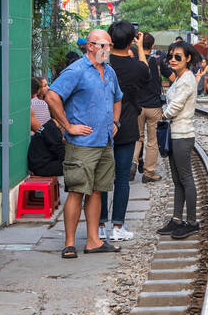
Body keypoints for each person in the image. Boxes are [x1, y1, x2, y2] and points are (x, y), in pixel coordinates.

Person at [45, 28, 123, 259]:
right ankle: (69, 243)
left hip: (104, 141)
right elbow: (51, 96)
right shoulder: (77, 70)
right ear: (90, 46)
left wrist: (116, 122)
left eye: (108, 45)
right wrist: (68, 126)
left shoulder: (109, 72)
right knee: (77, 191)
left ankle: (93, 241)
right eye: (103, 45)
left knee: (97, 191)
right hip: (82, 143)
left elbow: (118, 97)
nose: (107, 50)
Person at [100, 21, 149, 241]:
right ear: (131, 41)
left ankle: (99, 225)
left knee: (99, 179)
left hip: (101, 126)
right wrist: (139, 49)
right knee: (121, 179)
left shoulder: (102, 64)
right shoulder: (137, 67)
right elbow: (146, 73)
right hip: (127, 126)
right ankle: (117, 226)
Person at [159, 43, 199, 239]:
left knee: (186, 178)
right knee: (177, 180)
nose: (172, 60)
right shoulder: (179, 78)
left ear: (188, 59)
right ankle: (176, 219)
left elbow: (176, 105)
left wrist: (163, 116)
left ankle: (191, 222)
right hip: (175, 133)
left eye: (178, 57)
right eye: (171, 56)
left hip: (183, 134)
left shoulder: (187, 80)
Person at [133, 32, 165, 182]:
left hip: (137, 105)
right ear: (152, 46)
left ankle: (133, 162)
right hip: (154, 106)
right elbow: (173, 77)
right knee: (153, 141)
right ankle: (149, 173)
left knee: (137, 137)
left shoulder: (133, 61)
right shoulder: (157, 62)